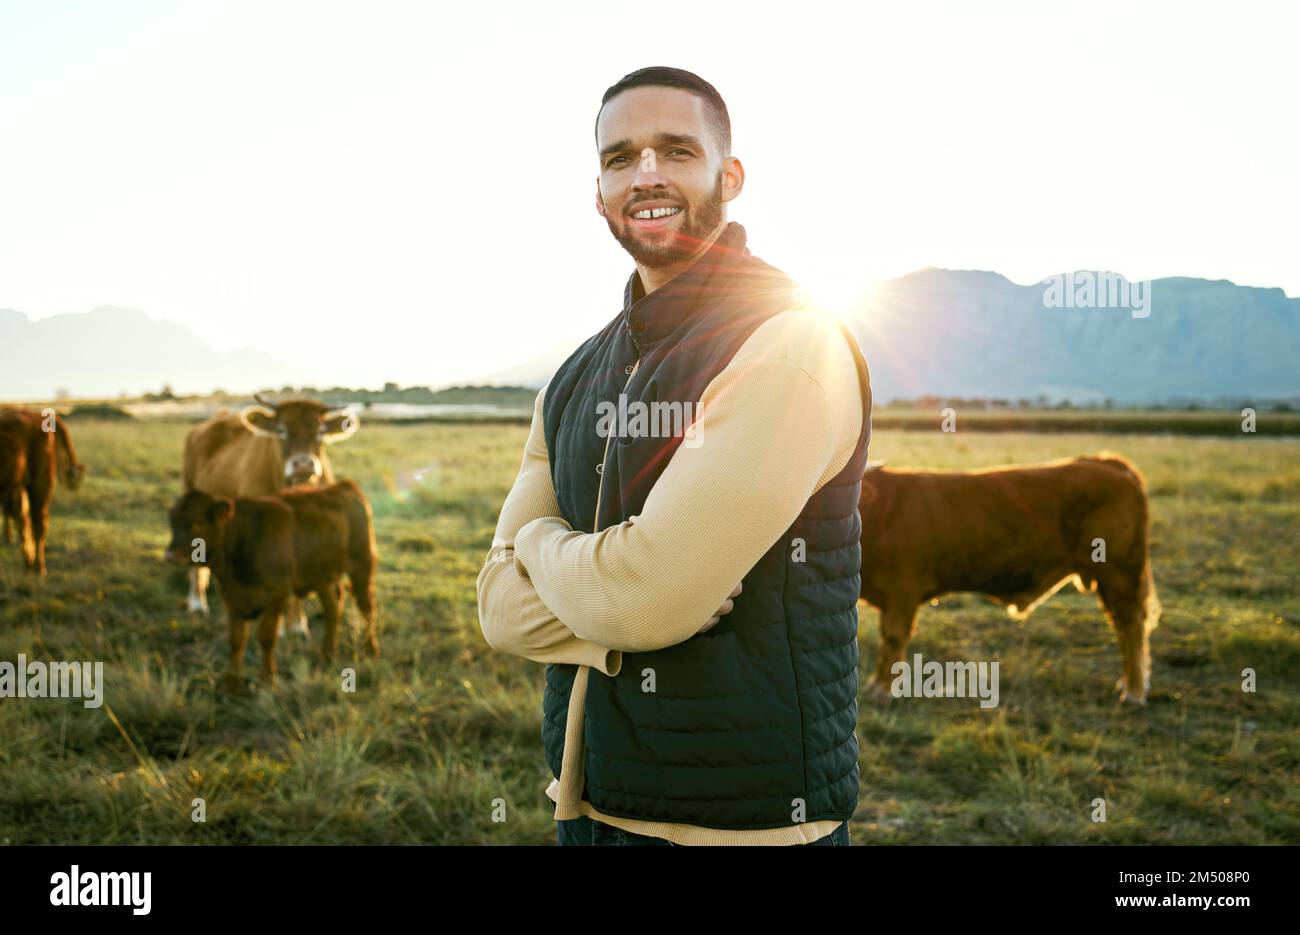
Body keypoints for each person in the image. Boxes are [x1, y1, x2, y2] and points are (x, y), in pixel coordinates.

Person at [477, 66, 871, 846]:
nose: (646, 174)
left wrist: (538, 550)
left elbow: (646, 599)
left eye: (676, 150)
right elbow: (498, 609)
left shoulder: (789, 342)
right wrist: (614, 587)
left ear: (730, 176)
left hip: (745, 828)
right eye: (621, 158)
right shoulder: (573, 375)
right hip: (583, 808)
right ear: (598, 193)